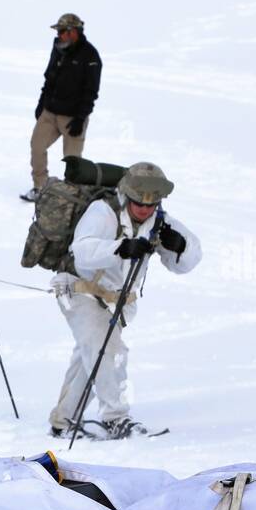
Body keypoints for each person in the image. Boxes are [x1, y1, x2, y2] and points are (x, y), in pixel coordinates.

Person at [47, 162, 200, 439]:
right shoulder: (103, 211)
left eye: (151, 203)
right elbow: (82, 251)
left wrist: (180, 247)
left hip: (116, 300)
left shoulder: (159, 220)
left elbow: (189, 260)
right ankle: (116, 419)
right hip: (77, 287)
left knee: (92, 354)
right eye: (138, 202)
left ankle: (63, 421)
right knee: (108, 350)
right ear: (127, 195)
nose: (144, 208)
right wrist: (120, 248)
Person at [22, 13, 101, 202]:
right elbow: (49, 77)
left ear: (73, 32)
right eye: (58, 32)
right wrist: (42, 103)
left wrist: (80, 118)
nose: (59, 35)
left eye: (62, 31)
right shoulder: (58, 49)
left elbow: (91, 92)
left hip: (73, 117)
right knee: (37, 146)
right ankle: (40, 187)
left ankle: (70, 196)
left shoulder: (90, 56)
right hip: (50, 111)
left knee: (73, 161)